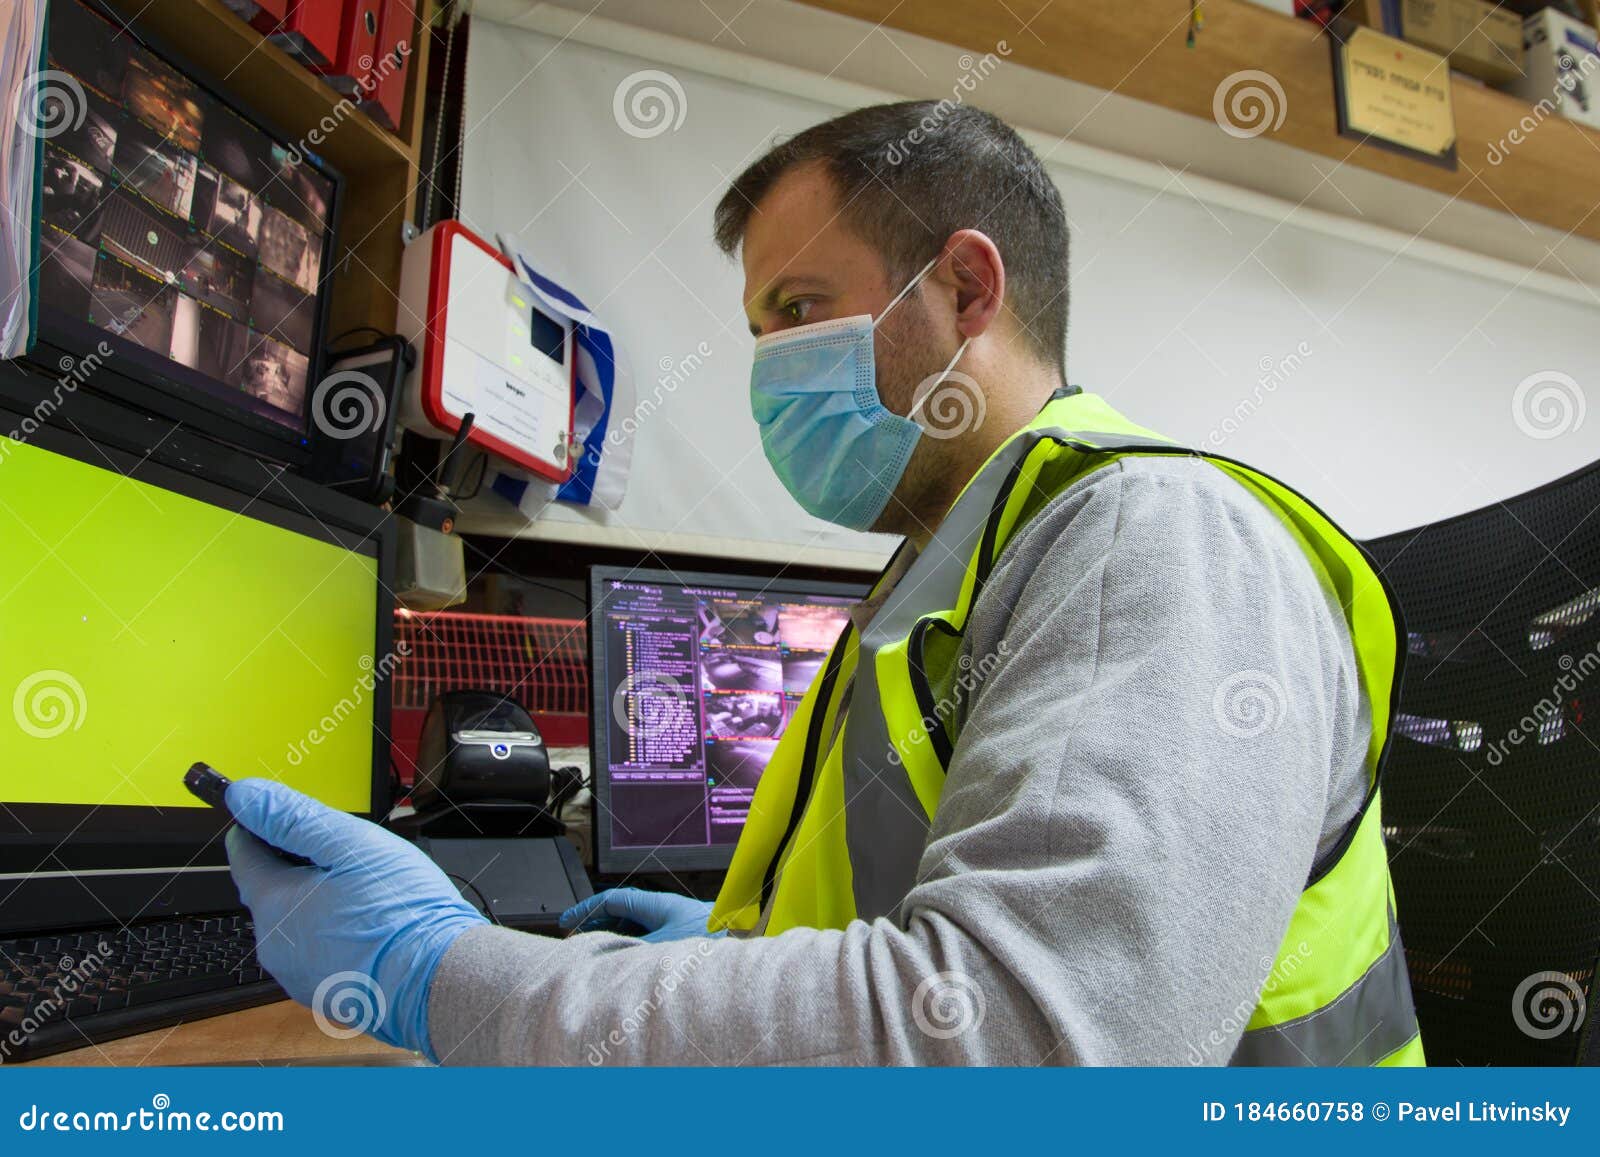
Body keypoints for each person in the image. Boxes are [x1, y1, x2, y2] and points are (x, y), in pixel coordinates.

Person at [225, 102, 1424, 1066]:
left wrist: (451, 980)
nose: (766, 373)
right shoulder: (943, 577)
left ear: (967, 287)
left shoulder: (1151, 542)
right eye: (758, 328)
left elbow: (1029, 1045)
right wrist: (735, 944)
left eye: (799, 310)